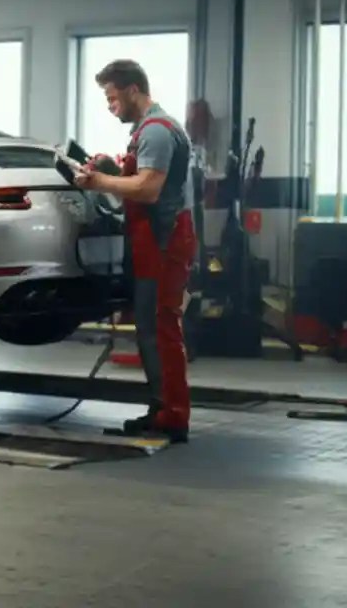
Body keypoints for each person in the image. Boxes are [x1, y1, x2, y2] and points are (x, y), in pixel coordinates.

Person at [75, 60, 197, 443]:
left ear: (131, 90)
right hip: (155, 242)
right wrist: (113, 168)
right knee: (149, 327)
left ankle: (172, 414)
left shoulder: (158, 132)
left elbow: (148, 189)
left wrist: (97, 181)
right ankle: (161, 407)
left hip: (164, 241)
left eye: (112, 98)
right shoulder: (148, 130)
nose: (110, 106)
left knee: (160, 327)